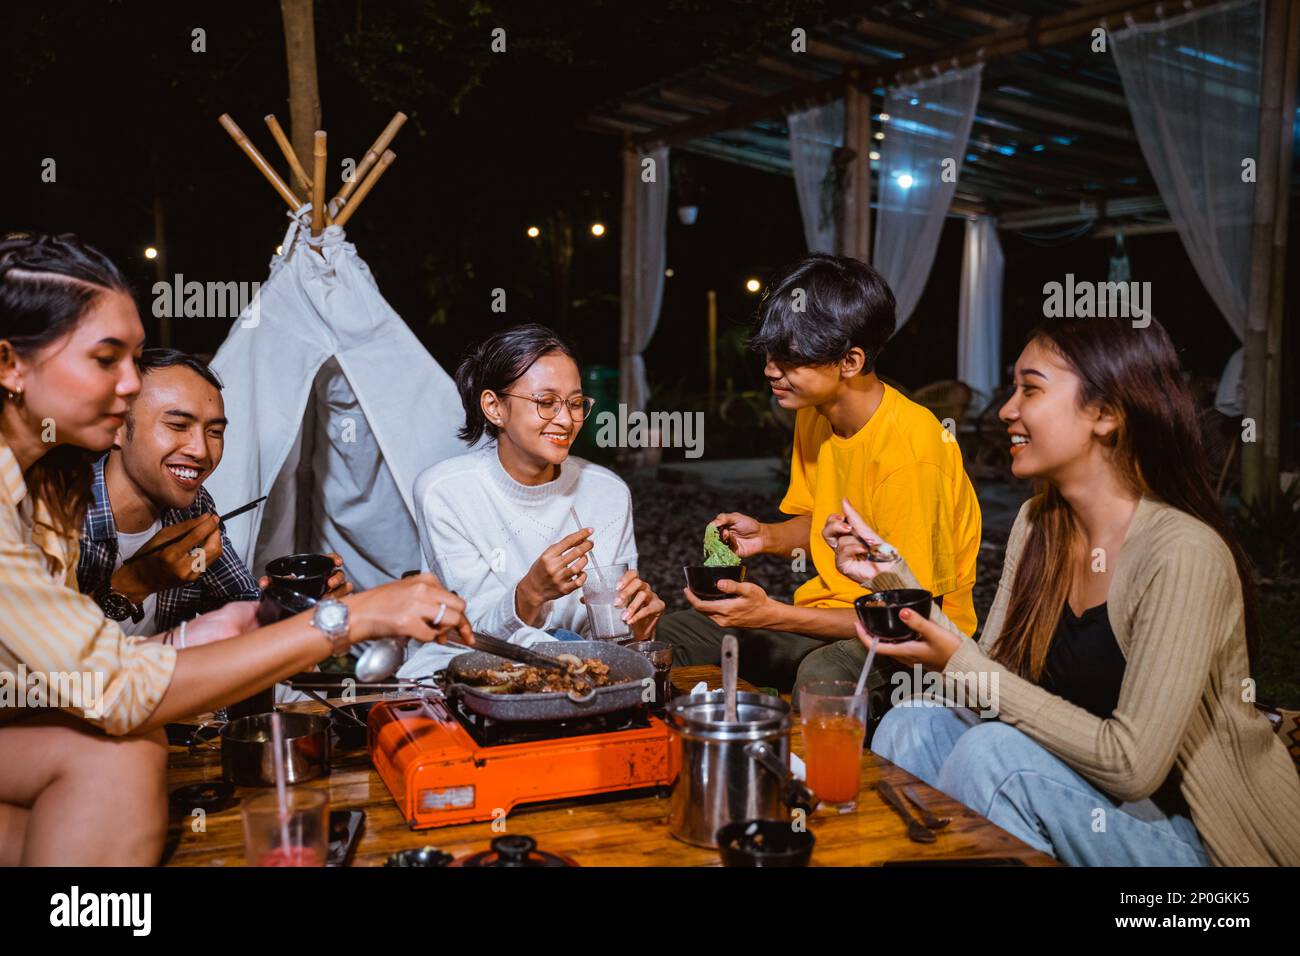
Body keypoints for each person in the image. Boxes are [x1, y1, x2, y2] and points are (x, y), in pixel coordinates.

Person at [0, 234, 471, 866]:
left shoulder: (48, 485)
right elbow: (109, 685)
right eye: (107, 358)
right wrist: (352, 618)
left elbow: (104, 663)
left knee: (131, 751)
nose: (129, 382)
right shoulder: (70, 503)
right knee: (127, 750)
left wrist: (280, 615)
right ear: (9, 364)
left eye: (134, 360)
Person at [826, 315, 1300, 867]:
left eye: (1030, 388)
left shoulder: (1183, 553)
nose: (1007, 409)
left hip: (1198, 844)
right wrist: (889, 576)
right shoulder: (1038, 522)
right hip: (1085, 791)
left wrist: (960, 662)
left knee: (994, 756)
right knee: (911, 725)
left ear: (1105, 413)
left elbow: (1133, 765)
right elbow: (992, 672)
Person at [657, 254, 981, 694]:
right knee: (674, 633)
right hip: (832, 612)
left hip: (911, 638)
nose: (771, 369)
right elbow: (817, 521)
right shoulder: (815, 413)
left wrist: (771, 614)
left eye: (791, 357)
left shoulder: (912, 453)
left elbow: (911, 615)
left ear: (850, 361)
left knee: (821, 679)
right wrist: (767, 538)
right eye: (771, 352)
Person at [401, 324, 665, 678]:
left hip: (579, 675)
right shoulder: (446, 492)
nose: (566, 419)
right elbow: (469, 633)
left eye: (575, 403)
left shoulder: (607, 493)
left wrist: (637, 630)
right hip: (469, 673)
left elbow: (607, 639)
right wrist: (529, 594)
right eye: (545, 402)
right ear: (495, 407)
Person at [77, 348, 348, 635]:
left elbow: (241, 608)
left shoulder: (192, 507)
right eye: (178, 425)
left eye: (215, 432)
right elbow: (46, 659)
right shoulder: (59, 513)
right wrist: (135, 583)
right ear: (116, 426)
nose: (201, 450)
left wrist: (295, 609)